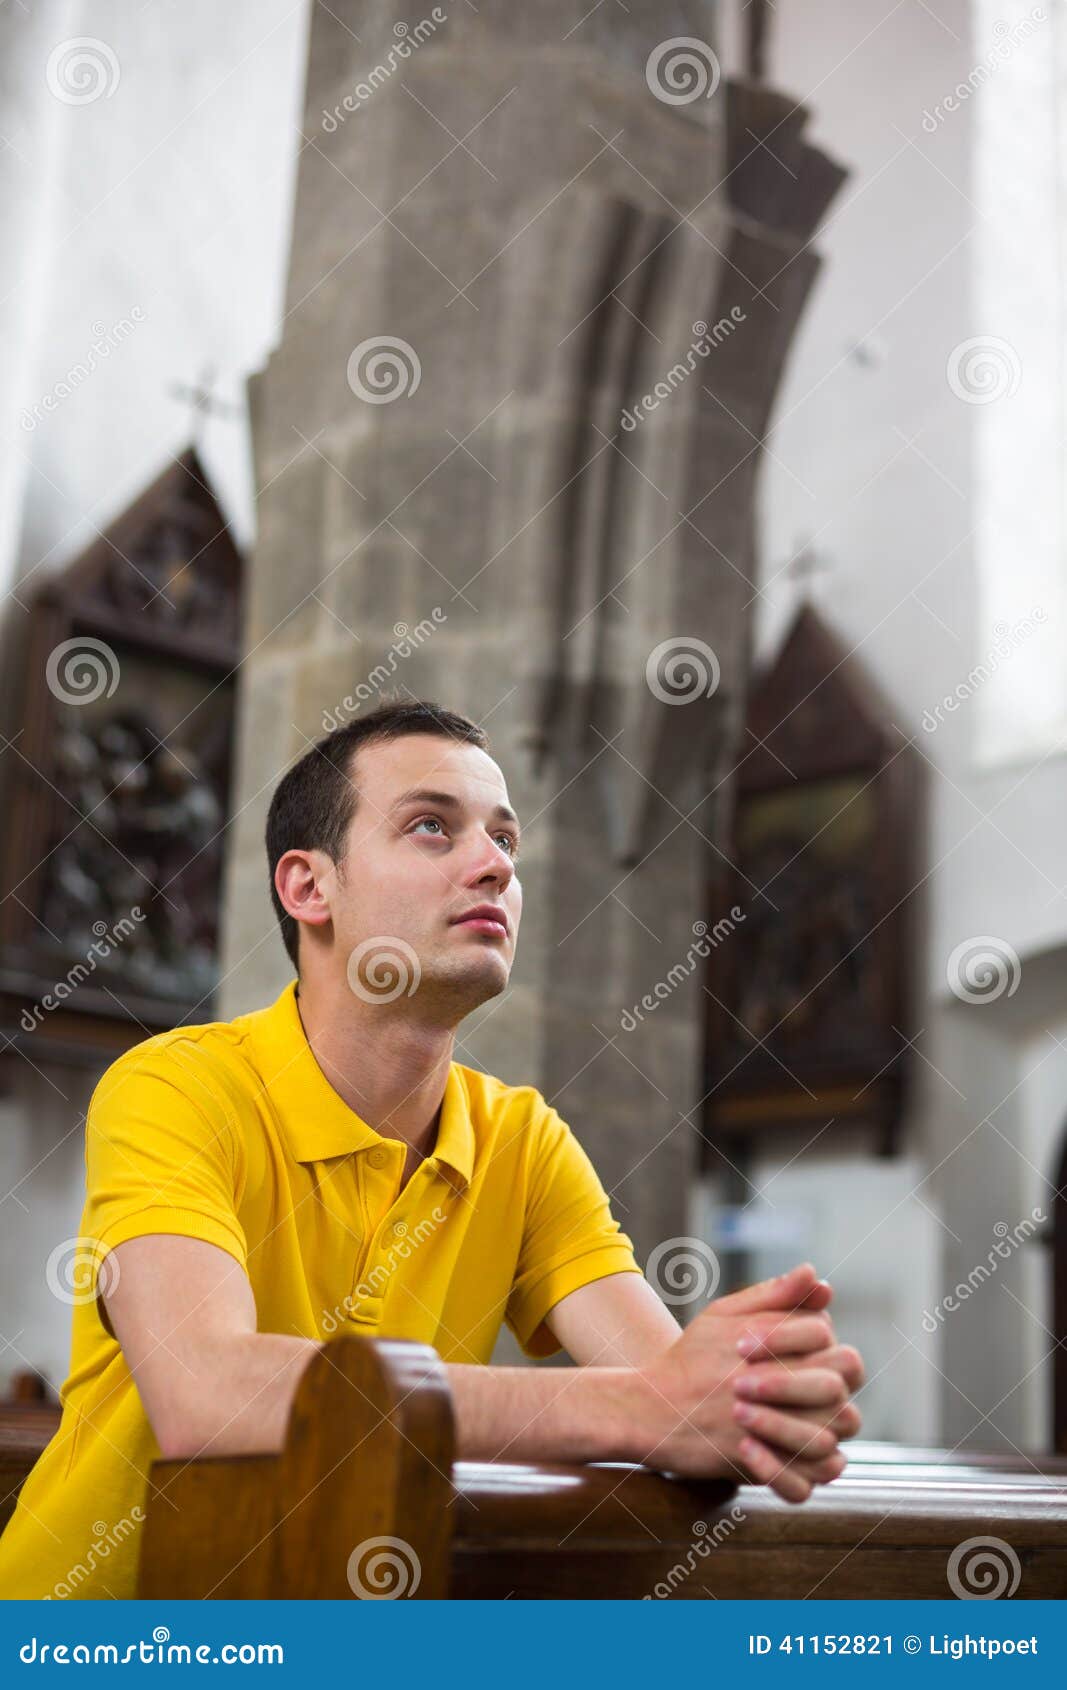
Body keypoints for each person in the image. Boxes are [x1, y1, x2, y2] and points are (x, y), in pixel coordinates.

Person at [0, 698, 863, 1600]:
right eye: (429, 828)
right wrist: (648, 1408)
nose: (492, 866)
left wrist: (756, 1400)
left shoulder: (521, 1140)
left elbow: (670, 1390)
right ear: (308, 888)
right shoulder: (176, 1087)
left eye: (504, 841)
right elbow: (207, 1393)